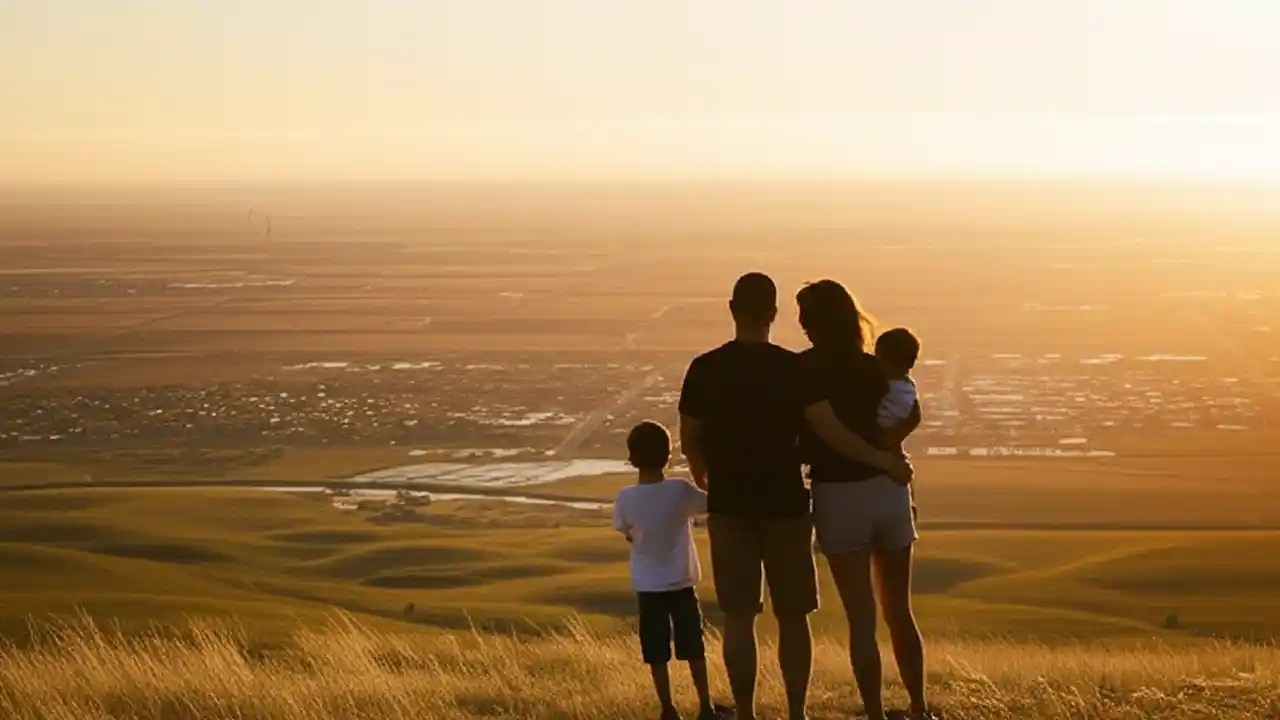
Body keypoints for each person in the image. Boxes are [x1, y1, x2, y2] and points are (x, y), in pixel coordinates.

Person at [679, 273, 911, 720]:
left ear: (732, 309)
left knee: (739, 617)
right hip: (785, 504)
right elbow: (832, 433)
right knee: (793, 617)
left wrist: (704, 474)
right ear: (774, 314)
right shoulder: (792, 370)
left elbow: (691, 436)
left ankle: (745, 713)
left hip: (729, 505)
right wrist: (885, 462)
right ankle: (796, 714)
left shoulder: (705, 368)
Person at [798, 281, 931, 720]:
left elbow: (823, 436)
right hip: (888, 490)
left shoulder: (804, 371)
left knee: (862, 620)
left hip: (838, 496)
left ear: (812, 322)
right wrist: (891, 455)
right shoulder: (876, 367)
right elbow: (906, 412)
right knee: (899, 610)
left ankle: (874, 712)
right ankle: (918, 707)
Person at [613, 421, 718, 720]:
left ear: (632, 457)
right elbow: (711, 503)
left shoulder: (625, 497)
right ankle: (705, 706)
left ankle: (668, 709)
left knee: (656, 652)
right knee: (693, 648)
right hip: (681, 582)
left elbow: (626, 530)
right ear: (668, 455)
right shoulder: (679, 491)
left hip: (648, 587)